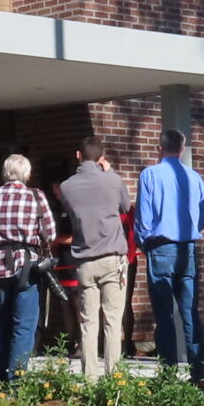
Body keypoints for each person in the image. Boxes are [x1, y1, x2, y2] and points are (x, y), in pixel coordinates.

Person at [56, 136, 132, 380]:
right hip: (112, 258)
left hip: (85, 260)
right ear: (102, 157)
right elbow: (126, 207)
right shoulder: (114, 180)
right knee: (112, 321)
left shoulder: (67, 187)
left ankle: (89, 379)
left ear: (78, 155)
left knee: (88, 323)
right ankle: (114, 379)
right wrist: (109, 172)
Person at [135, 130, 204, 382]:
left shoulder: (149, 175)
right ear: (182, 149)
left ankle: (168, 374)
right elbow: (201, 217)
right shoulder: (195, 177)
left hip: (160, 247)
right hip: (187, 248)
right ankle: (198, 373)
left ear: (159, 148)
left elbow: (143, 220)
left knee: (164, 315)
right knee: (190, 313)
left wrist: (145, 245)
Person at [0, 154, 57, 390]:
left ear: (5, 172)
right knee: (23, 324)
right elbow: (50, 233)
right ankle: (17, 381)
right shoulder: (35, 196)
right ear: (26, 173)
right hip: (26, 265)